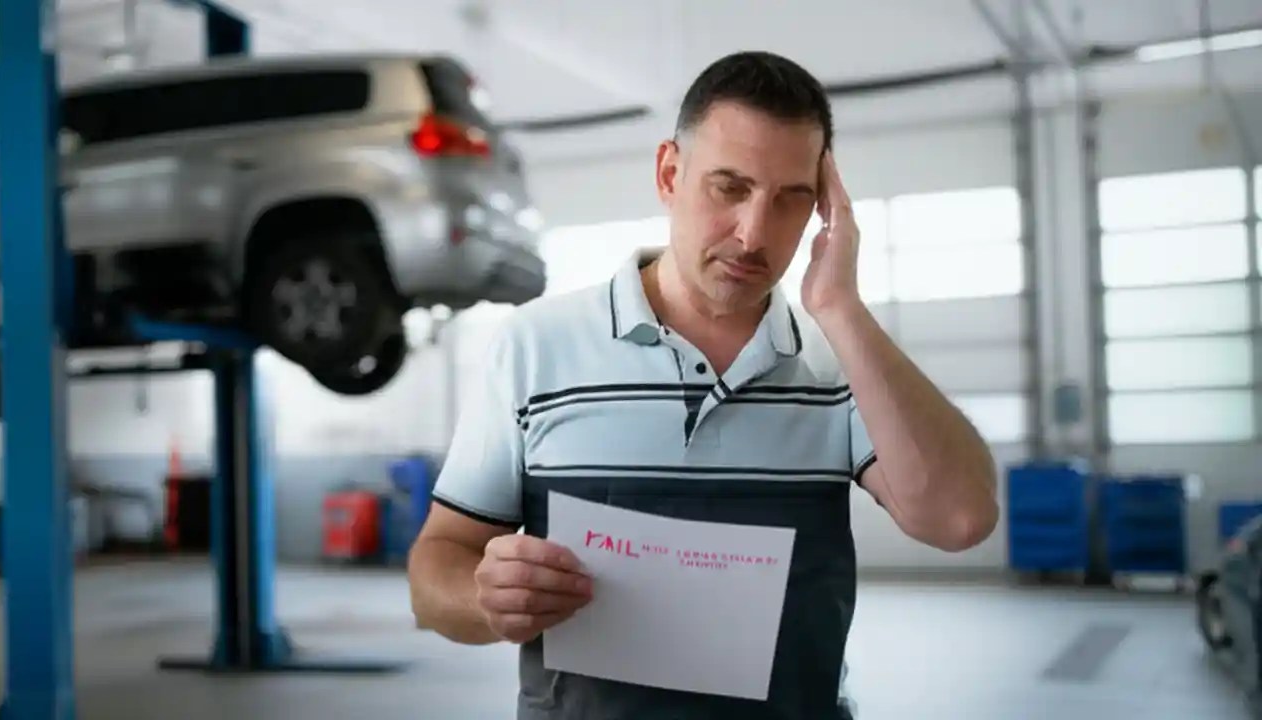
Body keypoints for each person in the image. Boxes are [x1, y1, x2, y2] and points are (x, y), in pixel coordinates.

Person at [407, 50, 999, 719]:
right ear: (670, 173)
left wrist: (842, 309)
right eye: (730, 188)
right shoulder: (535, 347)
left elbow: (959, 520)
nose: (754, 234)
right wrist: (483, 598)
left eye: (792, 198)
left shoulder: (843, 365)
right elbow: (435, 573)